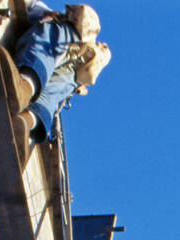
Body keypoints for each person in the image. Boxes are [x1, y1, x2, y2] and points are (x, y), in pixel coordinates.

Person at [7, 3, 110, 142]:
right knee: (58, 85)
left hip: (45, 64)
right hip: (44, 61)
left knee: (54, 44)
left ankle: (26, 106)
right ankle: (26, 112)